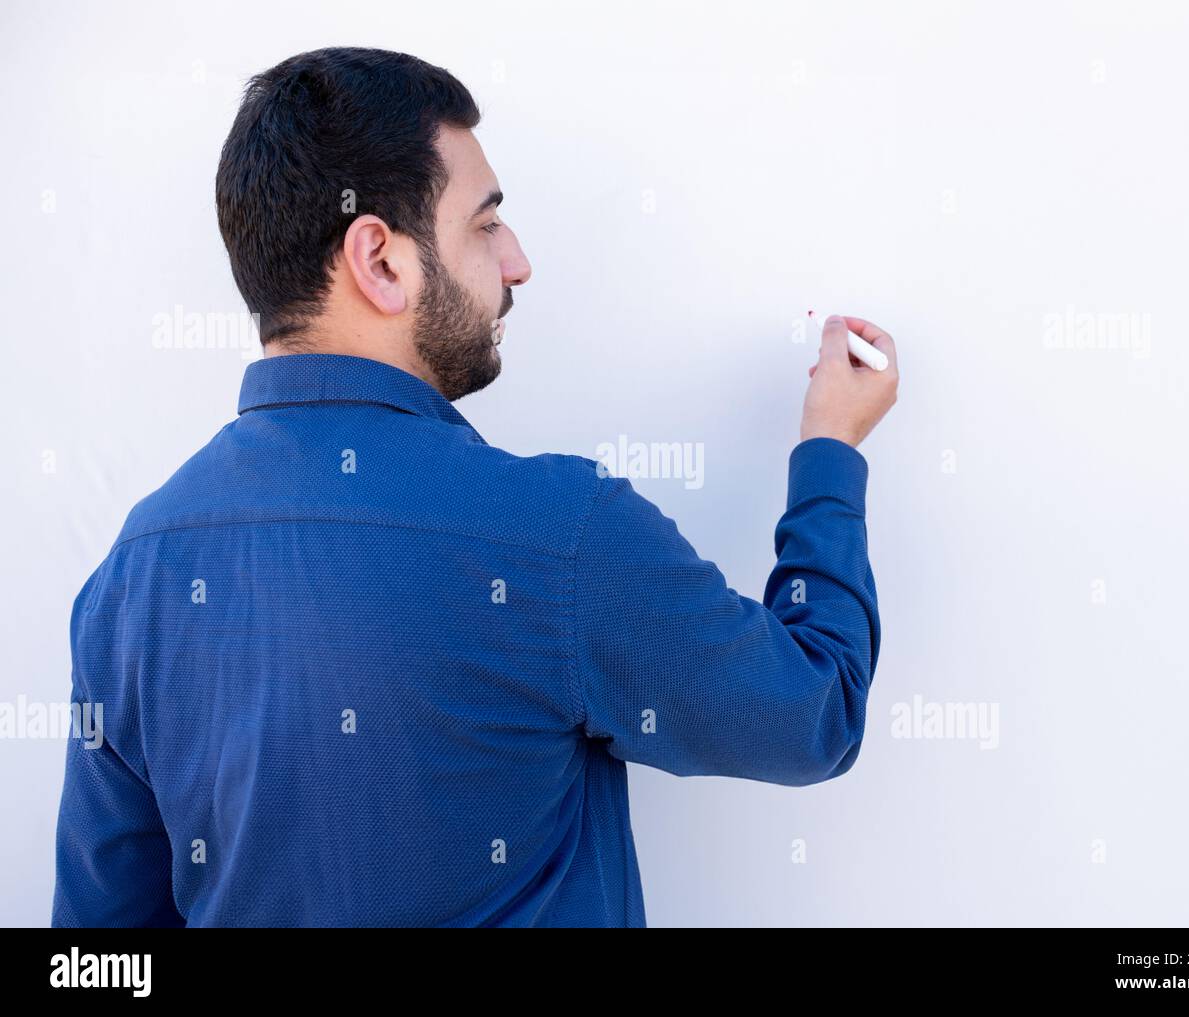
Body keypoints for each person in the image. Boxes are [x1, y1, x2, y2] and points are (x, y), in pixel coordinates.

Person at [51, 46, 898, 927]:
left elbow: (101, 950)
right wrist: (830, 450)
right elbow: (813, 712)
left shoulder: (130, 580)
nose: (518, 262)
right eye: (485, 224)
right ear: (379, 258)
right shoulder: (559, 535)